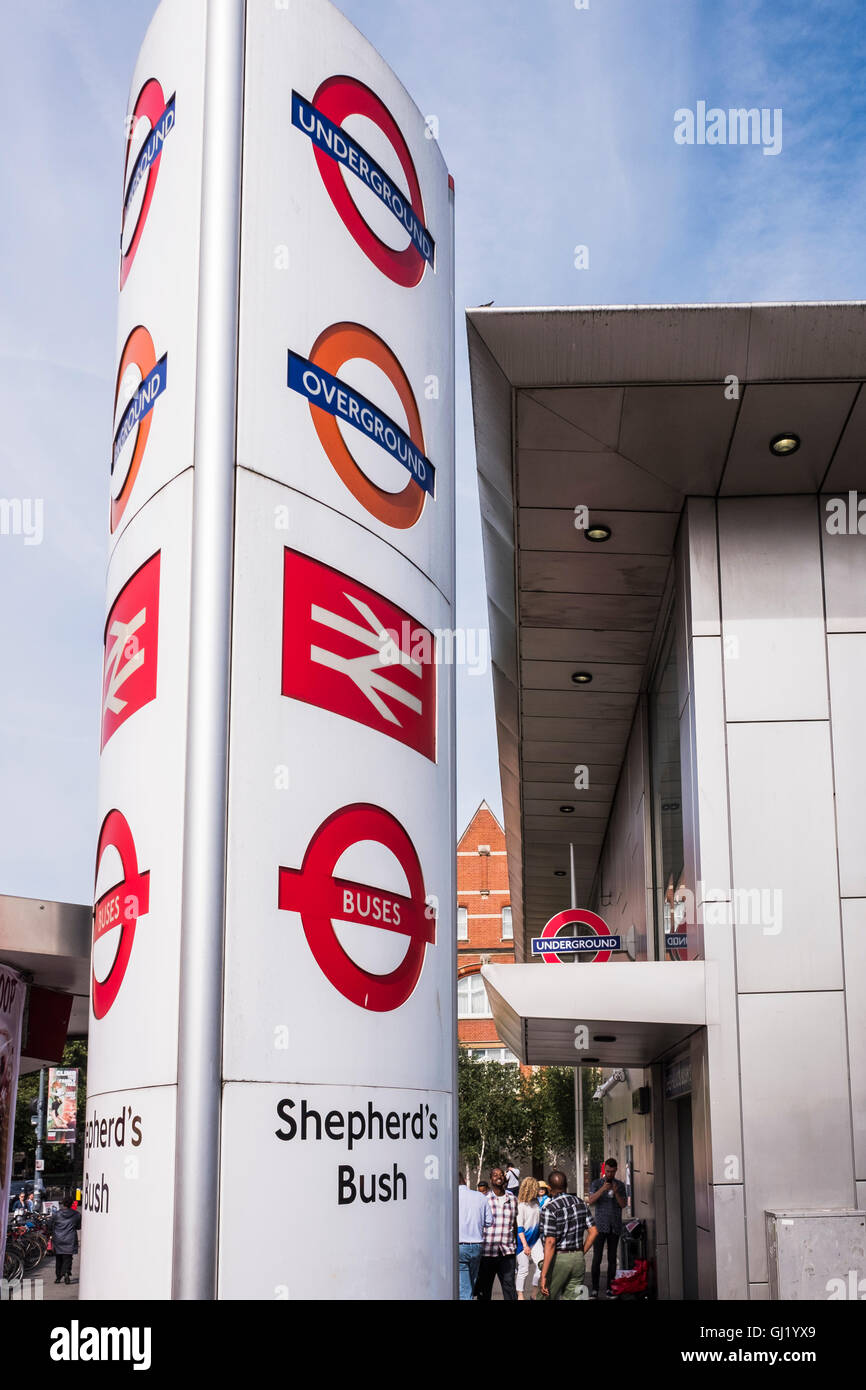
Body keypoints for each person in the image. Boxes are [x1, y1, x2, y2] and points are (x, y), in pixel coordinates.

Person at [538, 1169, 597, 1301]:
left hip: (559, 1259)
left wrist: (543, 1274)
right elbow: (593, 1231)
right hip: (578, 1259)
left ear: (549, 1188)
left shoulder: (550, 1208)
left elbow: (550, 1242)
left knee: (545, 1296)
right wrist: (581, 1251)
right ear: (566, 1185)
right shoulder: (580, 1203)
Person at [586, 1157, 628, 1298]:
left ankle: (611, 1287)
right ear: (605, 1170)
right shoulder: (597, 1183)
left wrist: (616, 1192)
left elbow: (623, 1205)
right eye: (607, 1171)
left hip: (614, 1226)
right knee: (597, 1258)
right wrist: (603, 1189)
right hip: (600, 1226)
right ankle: (595, 1289)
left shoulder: (620, 1185)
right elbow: (590, 1201)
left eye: (612, 1171)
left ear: (616, 1170)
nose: (609, 1174)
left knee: (611, 1258)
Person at [475, 1167, 518, 1301]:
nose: (498, 1177)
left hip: (507, 1252)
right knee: (485, 1289)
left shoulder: (512, 1199)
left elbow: (515, 1224)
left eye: (501, 1175)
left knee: (509, 1288)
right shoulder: (484, 1199)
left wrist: (514, 1242)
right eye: (495, 1175)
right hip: (488, 1252)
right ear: (491, 1179)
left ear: (505, 1178)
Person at [458, 1172, 489, 1300]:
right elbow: (489, 1221)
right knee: (470, 1283)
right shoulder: (481, 1197)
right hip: (477, 1245)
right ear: (465, 1180)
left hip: (459, 1246)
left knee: (464, 1290)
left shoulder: (450, 1196)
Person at [516, 1175, 543, 1300]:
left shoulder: (536, 1203)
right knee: (524, 1269)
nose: (538, 1190)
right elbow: (519, 1228)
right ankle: (520, 1296)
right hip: (523, 1242)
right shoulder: (521, 1206)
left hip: (536, 1239)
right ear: (530, 1189)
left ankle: (534, 1293)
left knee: (541, 1266)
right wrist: (525, 1245)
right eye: (535, 1188)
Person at [48, 1196, 81, 1285]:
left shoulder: (56, 1214)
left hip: (58, 1239)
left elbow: (50, 1225)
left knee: (59, 1258)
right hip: (70, 1238)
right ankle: (66, 1273)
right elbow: (78, 1226)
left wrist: (51, 1232)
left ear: (62, 1203)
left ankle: (58, 1277)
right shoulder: (77, 1214)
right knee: (68, 1258)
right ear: (71, 1204)